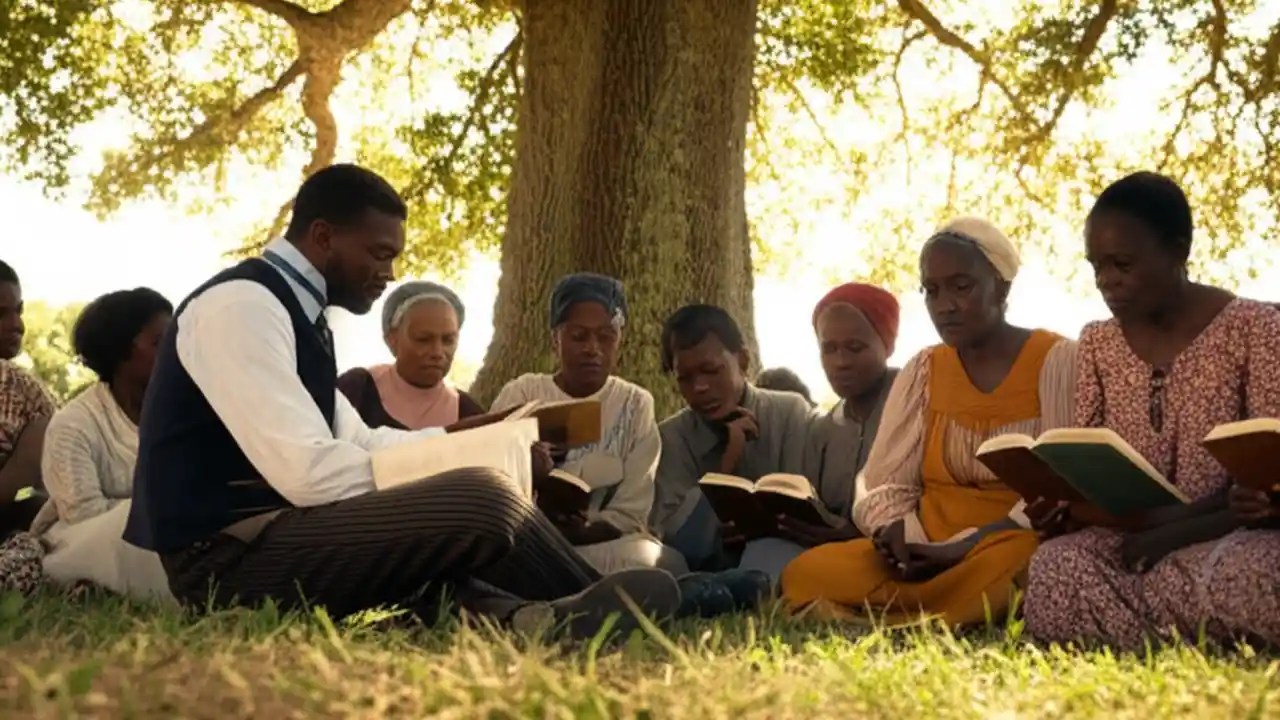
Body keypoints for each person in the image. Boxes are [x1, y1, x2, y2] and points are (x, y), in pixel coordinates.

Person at [123, 164, 682, 638]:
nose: (389, 275)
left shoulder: (298, 317)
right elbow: (308, 475)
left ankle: (553, 614)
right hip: (226, 562)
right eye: (378, 254)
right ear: (323, 237)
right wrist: (477, 463)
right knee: (480, 496)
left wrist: (500, 439)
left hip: (280, 537)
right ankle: (621, 601)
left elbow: (364, 441)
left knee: (471, 511)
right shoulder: (241, 307)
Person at [1024, 172, 1280, 648]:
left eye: (1122, 264)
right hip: (1128, 537)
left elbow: (1267, 487)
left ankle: (1134, 626)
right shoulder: (1098, 341)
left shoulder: (1258, 329)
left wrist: (1169, 534)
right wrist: (1062, 506)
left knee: (1258, 574)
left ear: (1179, 251)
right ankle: (1187, 629)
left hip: (1228, 538)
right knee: (1055, 566)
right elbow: (1088, 462)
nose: (1106, 281)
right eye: (1096, 266)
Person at [780, 218, 1077, 626]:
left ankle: (892, 618)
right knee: (808, 571)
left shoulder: (1057, 360)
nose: (945, 305)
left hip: (1003, 541)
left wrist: (965, 547)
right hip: (923, 545)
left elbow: (1059, 487)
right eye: (932, 291)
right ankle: (936, 613)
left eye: (961, 286)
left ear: (1002, 286)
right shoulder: (924, 369)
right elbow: (884, 481)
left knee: (1025, 563)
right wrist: (900, 538)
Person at [491, 273, 687, 576]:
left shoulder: (635, 404)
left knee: (653, 558)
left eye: (606, 337)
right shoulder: (523, 393)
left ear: (620, 340)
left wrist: (587, 530)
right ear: (555, 340)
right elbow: (492, 483)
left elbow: (632, 509)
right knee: (500, 559)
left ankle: (559, 587)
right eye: (579, 336)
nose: (592, 349)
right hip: (528, 539)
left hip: (603, 546)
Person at [739, 283, 904, 583]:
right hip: (830, 553)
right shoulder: (824, 428)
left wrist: (855, 534)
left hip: (898, 552)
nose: (841, 362)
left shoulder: (913, 407)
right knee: (763, 552)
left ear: (887, 345)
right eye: (829, 349)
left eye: (855, 348)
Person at [649, 304, 811, 579]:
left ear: (744, 362)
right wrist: (727, 461)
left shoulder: (790, 412)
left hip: (775, 546)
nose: (699, 387)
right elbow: (678, 538)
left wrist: (763, 526)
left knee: (772, 559)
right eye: (685, 379)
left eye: (711, 370)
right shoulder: (671, 436)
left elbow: (804, 505)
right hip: (700, 564)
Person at [32, 288, 174, 601]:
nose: (175, 351)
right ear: (121, 352)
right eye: (160, 342)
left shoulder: (181, 412)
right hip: (84, 544)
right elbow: (83, 515)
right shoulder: (73, 424)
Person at [338, 281, 484, 430]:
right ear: (392, 339)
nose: (437, 352)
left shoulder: (468, 413)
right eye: (423, 339)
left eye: (448, 340)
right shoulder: (357, 390)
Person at [0, 260, 55, 536]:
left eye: (18, 311)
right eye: (1, 314)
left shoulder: (24, 388)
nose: (17, 325)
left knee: (39, 506)